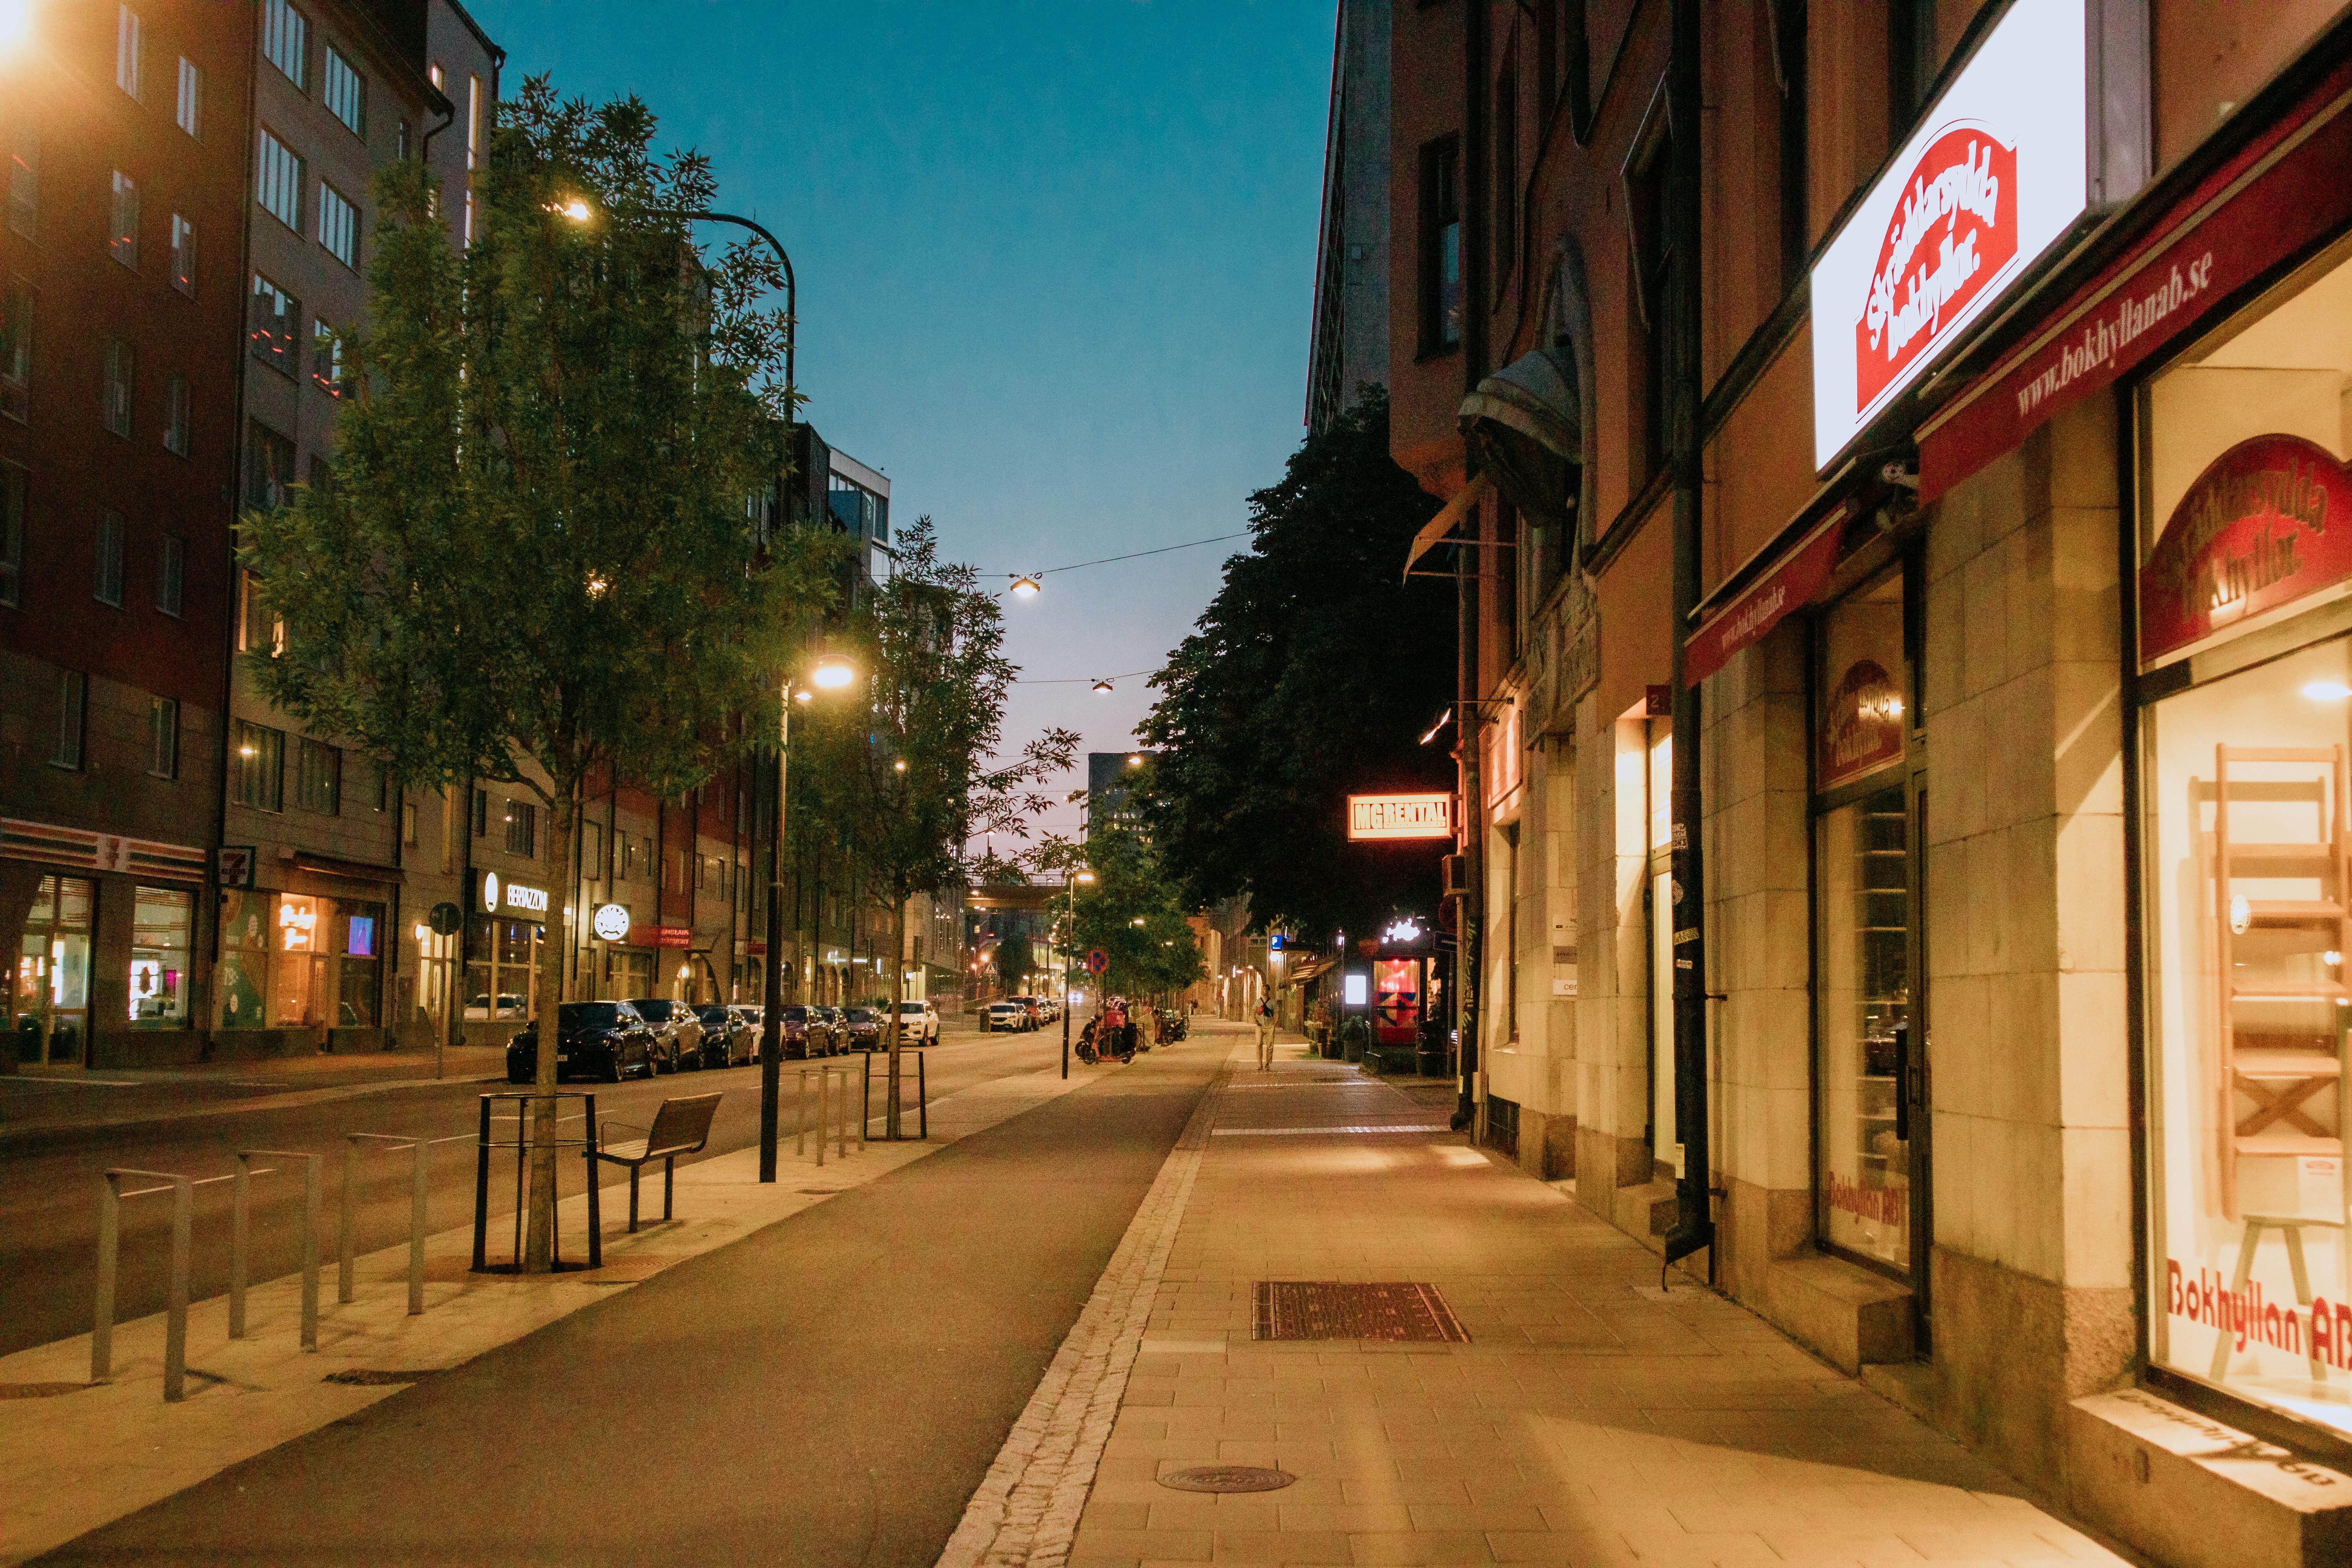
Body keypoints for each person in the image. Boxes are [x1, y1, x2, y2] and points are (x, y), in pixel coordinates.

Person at [1255, 997, 1276, 1071]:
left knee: (1270, 1045)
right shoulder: (1258, 1002)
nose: (1265, 991)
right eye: (1264, 990)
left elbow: (1277, 1013)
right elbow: (1253, 1011)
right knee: (1259, 1044)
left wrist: (1275, 1024)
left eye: (1266, 990)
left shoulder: (1272, 1002)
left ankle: (1268, 1063)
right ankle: (1260, 1064)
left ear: (1268, 991)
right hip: (1260, 1026)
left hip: (1270, 1026)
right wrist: (1255, 1021)